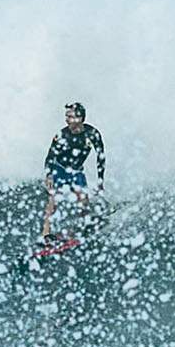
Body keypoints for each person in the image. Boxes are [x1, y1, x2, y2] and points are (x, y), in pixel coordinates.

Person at [41, 102, 105, 242]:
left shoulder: (92, 134)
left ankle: (83, 227)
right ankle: (45, 233)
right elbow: (50, 156)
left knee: (83, 200)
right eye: (66, 116)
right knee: (53, 200)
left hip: (76, 171)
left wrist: (100, 180)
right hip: (59, 169)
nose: (67, 120)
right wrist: (49, 175)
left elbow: (100, 157)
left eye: (70, 117)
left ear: (80, 118)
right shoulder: (62, 135)